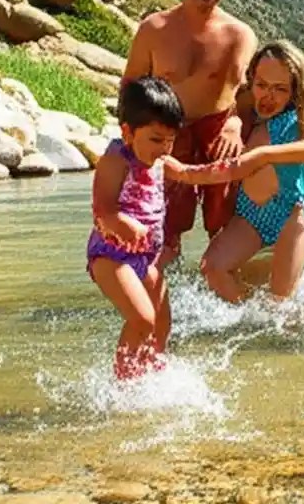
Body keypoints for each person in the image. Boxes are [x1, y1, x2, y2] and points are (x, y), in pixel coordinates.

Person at [164, 41, 304, 303]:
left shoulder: (296, 121)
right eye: (262, 85)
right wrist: (233, 121)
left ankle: (277, 323)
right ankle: (248, 316)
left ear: (294, 91)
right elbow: (215, 110)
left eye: (280, 89)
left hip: (291, 213)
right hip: (250, 213)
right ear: (251, 79)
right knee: (213, 268)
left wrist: (264, 156)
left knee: (281, 303)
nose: (268, 96)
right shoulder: (246, 105)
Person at [123, 0, 258, 258]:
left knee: (222, 226)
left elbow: (254, 94)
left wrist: (237, 123)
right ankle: (162, 298)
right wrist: (131, 142)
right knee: (163, 232)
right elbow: (130, 88)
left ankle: (221, 294)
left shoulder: (241, 35)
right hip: (168, 132)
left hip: (220, 131)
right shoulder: (153, 30)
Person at [86, 76, 183, 380]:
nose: (165, 148)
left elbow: (191, 174)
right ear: (127, 132)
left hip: (144, 258)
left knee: (162, 323)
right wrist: (121, 221)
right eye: (156, 139)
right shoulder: (117, 159)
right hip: (111, 255)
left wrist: (237, 167)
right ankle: (123, 388)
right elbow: (102, 208)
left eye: (171, 139)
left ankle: (151, 373)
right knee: (143, 319)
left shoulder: (159, 160)